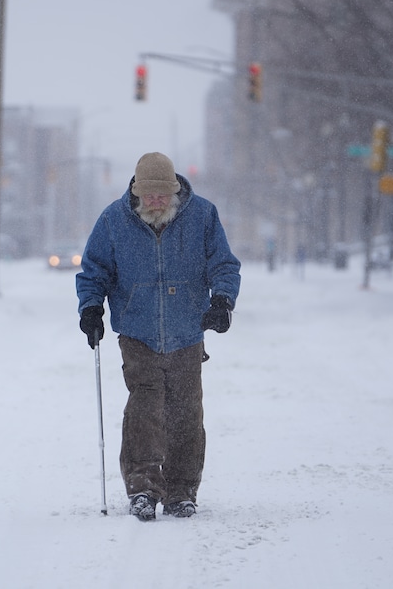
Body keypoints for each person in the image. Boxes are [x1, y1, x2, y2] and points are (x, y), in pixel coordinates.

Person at [75, 151, 241, 521]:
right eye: (148, 195)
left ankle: (182, 490)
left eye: (161, 195)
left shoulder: (202, 216)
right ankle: (143, 488)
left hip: (186, 329)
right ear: (136, 190)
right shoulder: (114, 220)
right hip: (137, 330)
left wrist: (222, 300)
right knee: (145, 409)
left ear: (174, 191)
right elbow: (94, 270)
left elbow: (223, 263)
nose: (154, 201)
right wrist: (91, 308)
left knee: (185, 411)